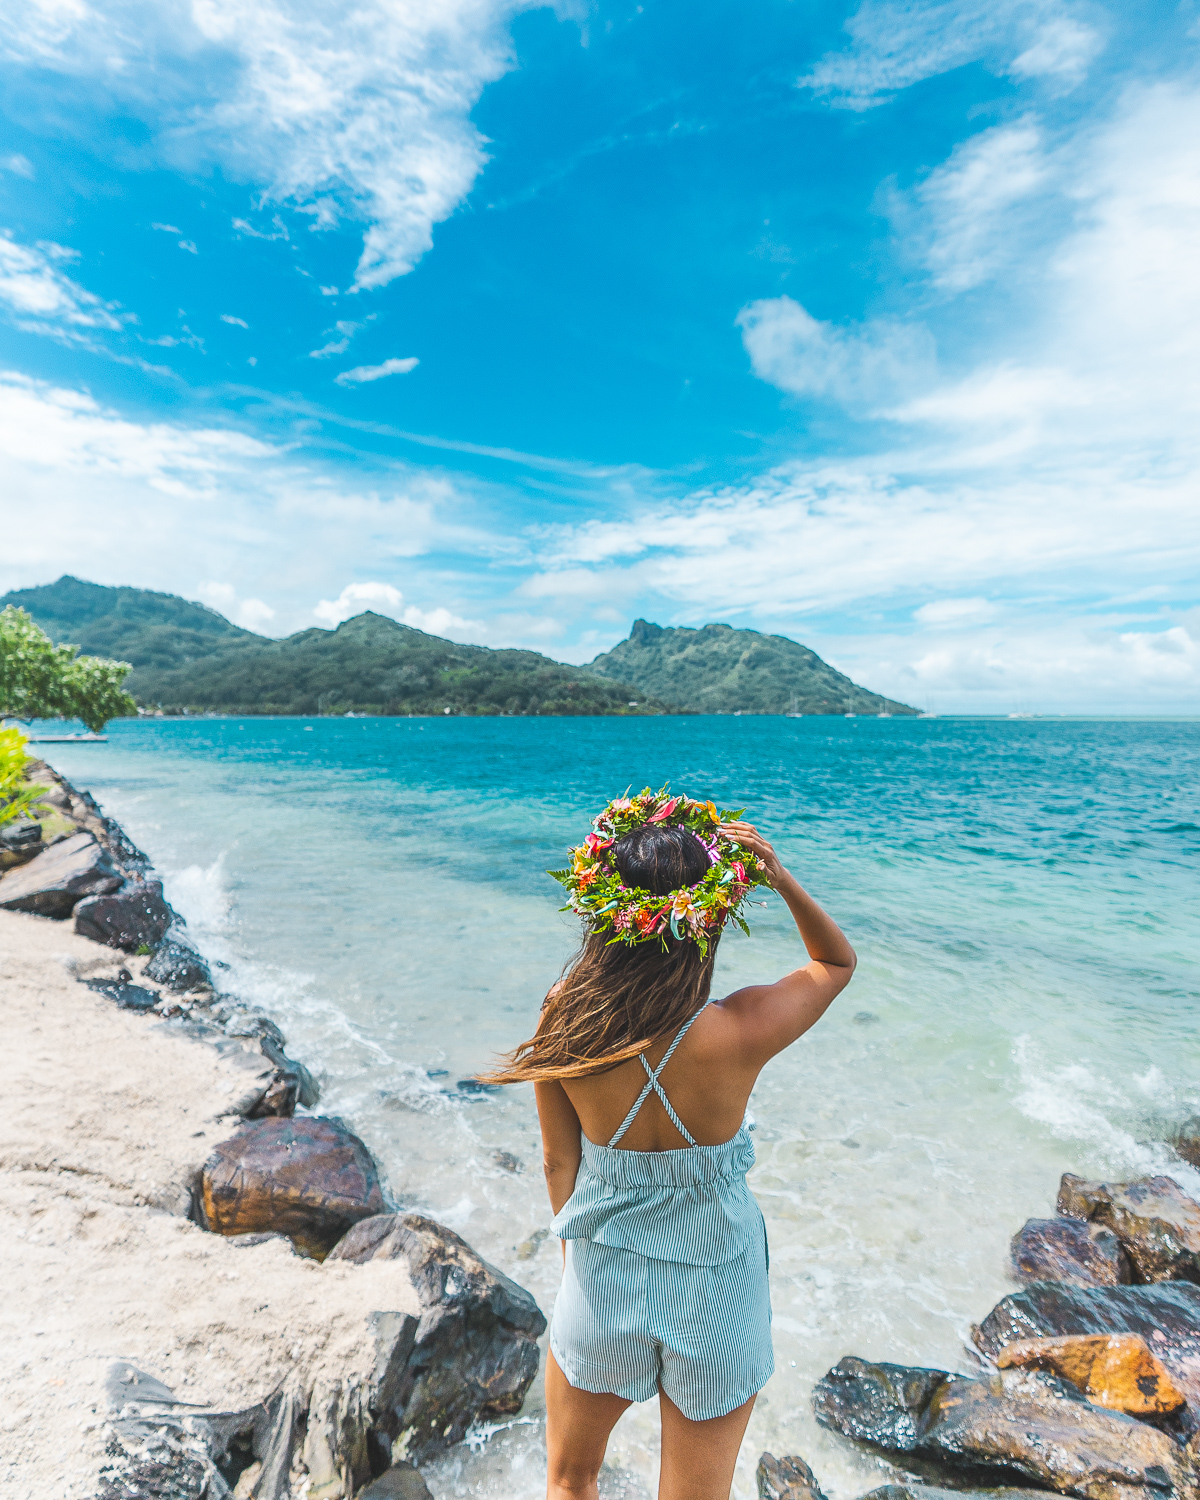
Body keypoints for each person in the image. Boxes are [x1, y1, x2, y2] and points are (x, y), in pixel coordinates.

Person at [486, 797, 856, 1500]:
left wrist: (578, 1268)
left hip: (604, 1275)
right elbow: (835, 962)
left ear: (605, 911)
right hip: (716, 1285)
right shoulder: (741, 1030)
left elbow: (558, 1163)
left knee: (569, 1481)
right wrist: (779, 876)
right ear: (705, 921)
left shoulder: (568, 1016)